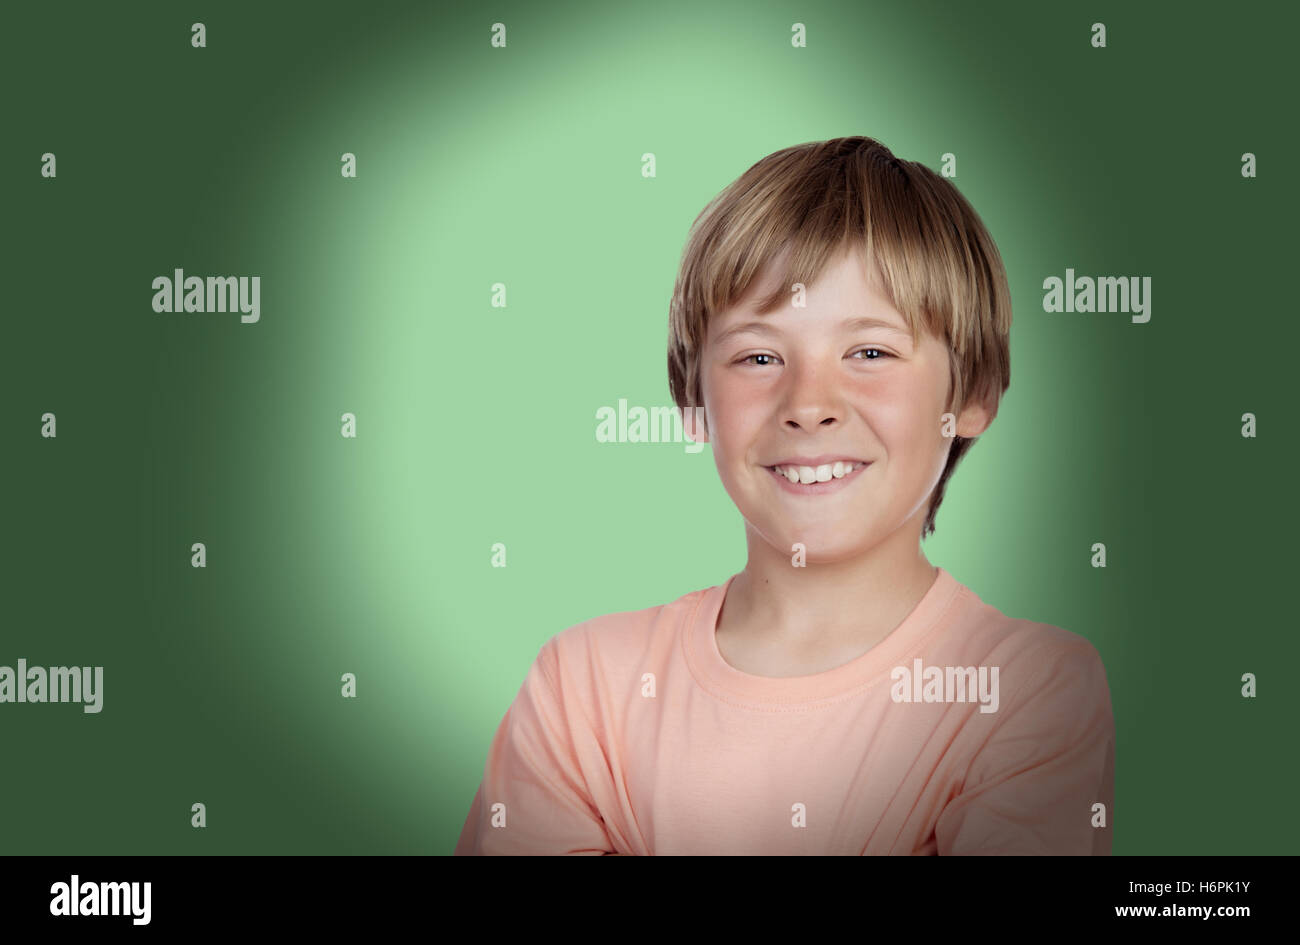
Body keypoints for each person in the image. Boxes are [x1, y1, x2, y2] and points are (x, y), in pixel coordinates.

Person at [455, 136, 1114, 855]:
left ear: (975, 394)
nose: (808, 404)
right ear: (694, 399)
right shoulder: (581, 688)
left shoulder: (1025, 690)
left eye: (870, 352)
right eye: (759, 356)